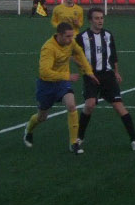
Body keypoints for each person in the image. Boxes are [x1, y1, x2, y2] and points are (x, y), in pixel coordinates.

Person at [23, 22, 97, 153]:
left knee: (71, 105)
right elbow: (44, 72)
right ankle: (28, 129)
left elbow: (80, 54)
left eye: (72, 36)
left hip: (62, 83)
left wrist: (89, 72)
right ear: (59, 35)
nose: (71, 40)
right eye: (68, 37)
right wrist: (66, 76)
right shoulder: (48, 48)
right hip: (46, 85)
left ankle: (74, 143)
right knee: (42, 117)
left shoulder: (70, 43)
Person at [75, 8, 135, 150]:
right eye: (97, 18)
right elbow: (74, 55)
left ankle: (134, 140)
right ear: (90, 20)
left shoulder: (108, 35)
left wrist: (116, 72)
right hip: (91, 75)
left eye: (101, 18)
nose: (100, 21)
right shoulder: (82, 37)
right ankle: (79, 138)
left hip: (107, 75)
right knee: (90, 105)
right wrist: (84, 68)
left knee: (119, 107)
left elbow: (113, 56)